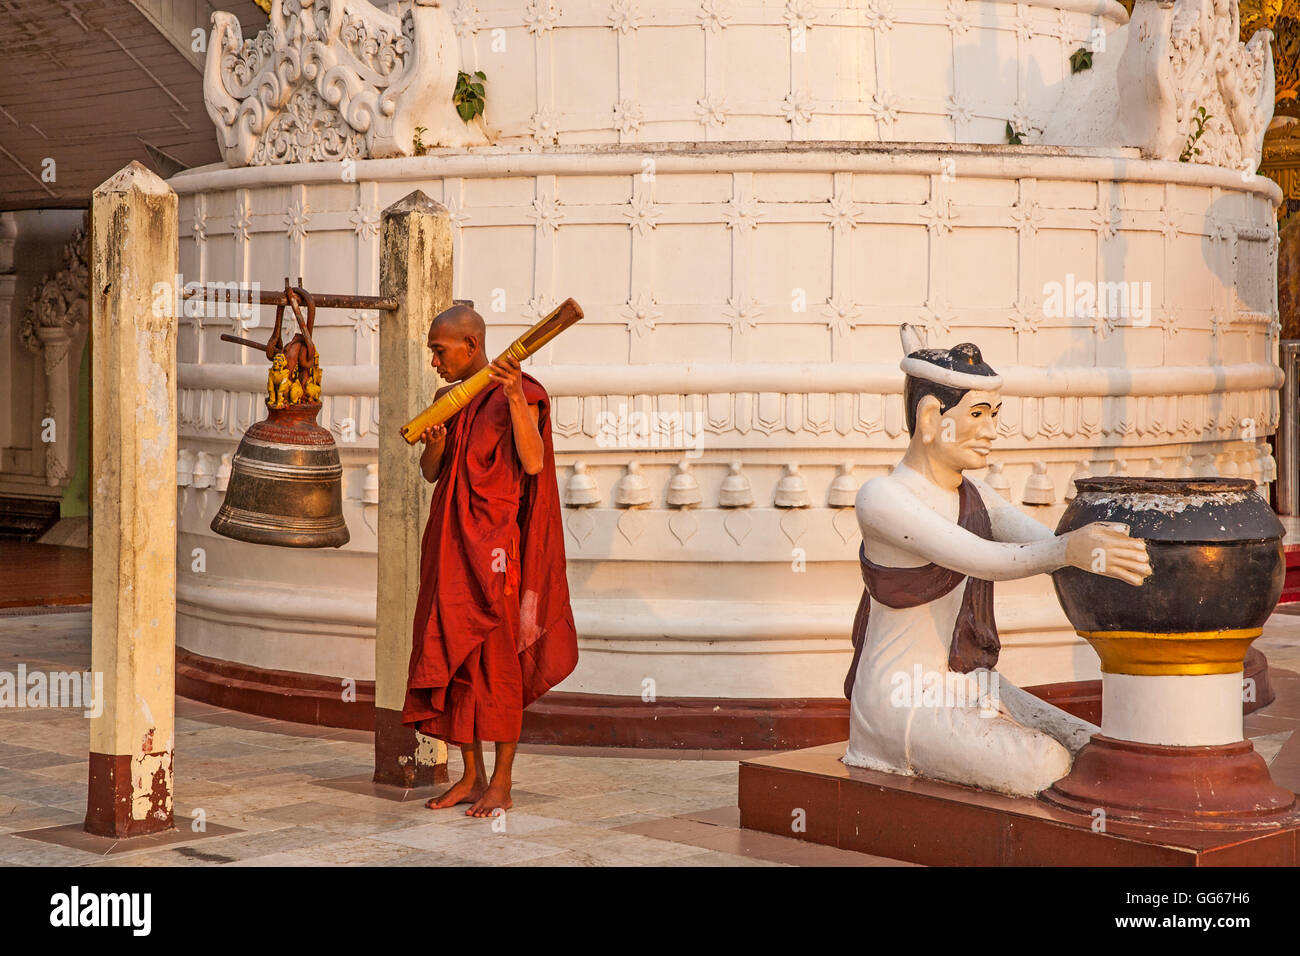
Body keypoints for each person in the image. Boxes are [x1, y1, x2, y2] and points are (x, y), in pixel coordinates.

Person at [843, 324, 1152, 797]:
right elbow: (986, 560)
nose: (991, 431)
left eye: (994, 415)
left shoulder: (974, 495)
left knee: (1092, 746)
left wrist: (1107, 540)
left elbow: (1043, 543)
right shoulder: (883, 498)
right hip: (900, 702)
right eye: (979, 414)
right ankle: (884, 752)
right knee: (1044, 763)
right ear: (930, 416)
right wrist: (1069, 550)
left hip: (966, 682)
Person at [402, 304, 578, 817]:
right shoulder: (447, 401)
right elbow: (433, 473)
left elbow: (532, 461)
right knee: (455, 656)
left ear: (471, 346)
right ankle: (471, 776)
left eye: (440, 351)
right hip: (450, 544)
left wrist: (511, 396)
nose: (435, 361)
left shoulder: (524, 393)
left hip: (496, 550)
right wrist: (434, 445)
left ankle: (502, 781)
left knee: (497, 664)